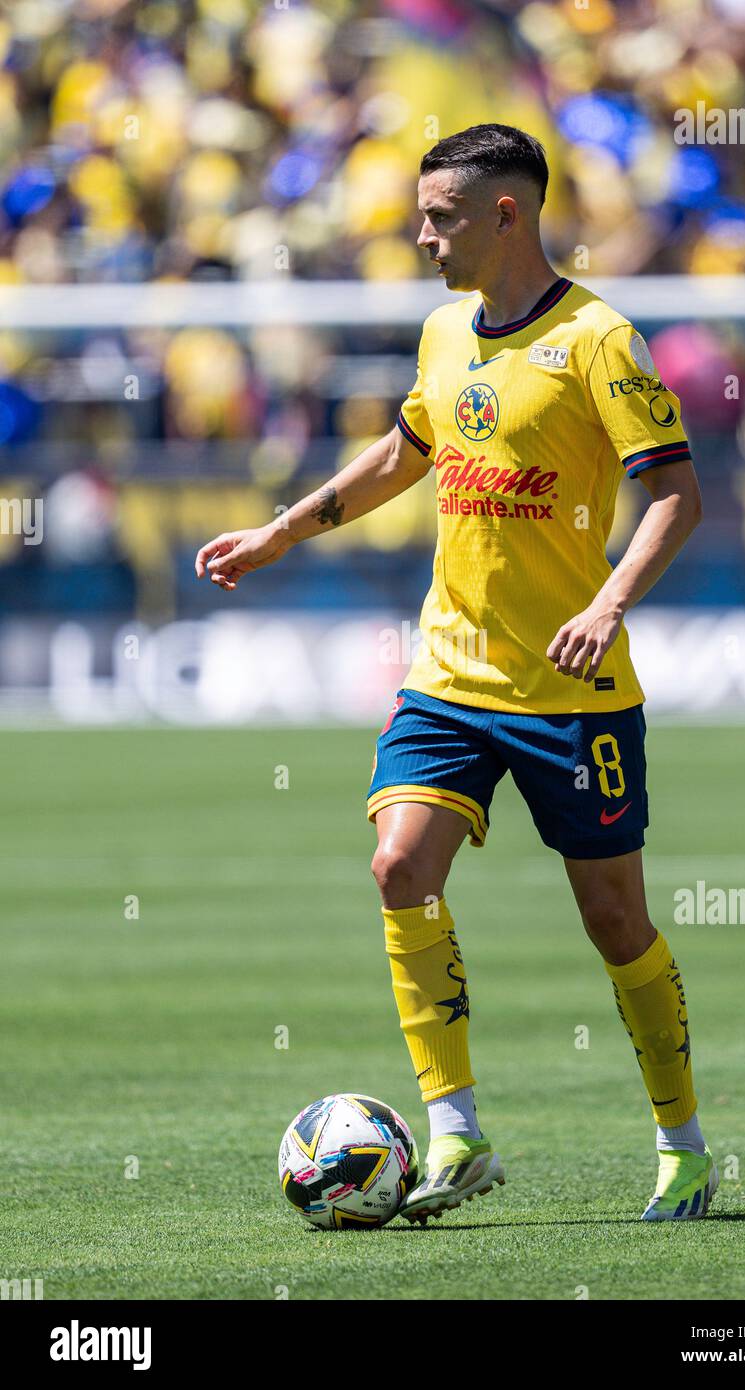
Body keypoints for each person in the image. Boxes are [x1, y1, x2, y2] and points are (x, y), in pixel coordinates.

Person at [195, 123, 713, 1224]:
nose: (421, 235)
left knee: (613, 920)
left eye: (438, 216)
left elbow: (676, 494)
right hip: (447, 675)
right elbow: (402, 452)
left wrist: (606, 599)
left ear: (506, 215)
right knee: (396, 869)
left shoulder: (598, 341)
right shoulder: (442, 333)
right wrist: (279, 532)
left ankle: (681, 1143)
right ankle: (455, 1131)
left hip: (571, 693)